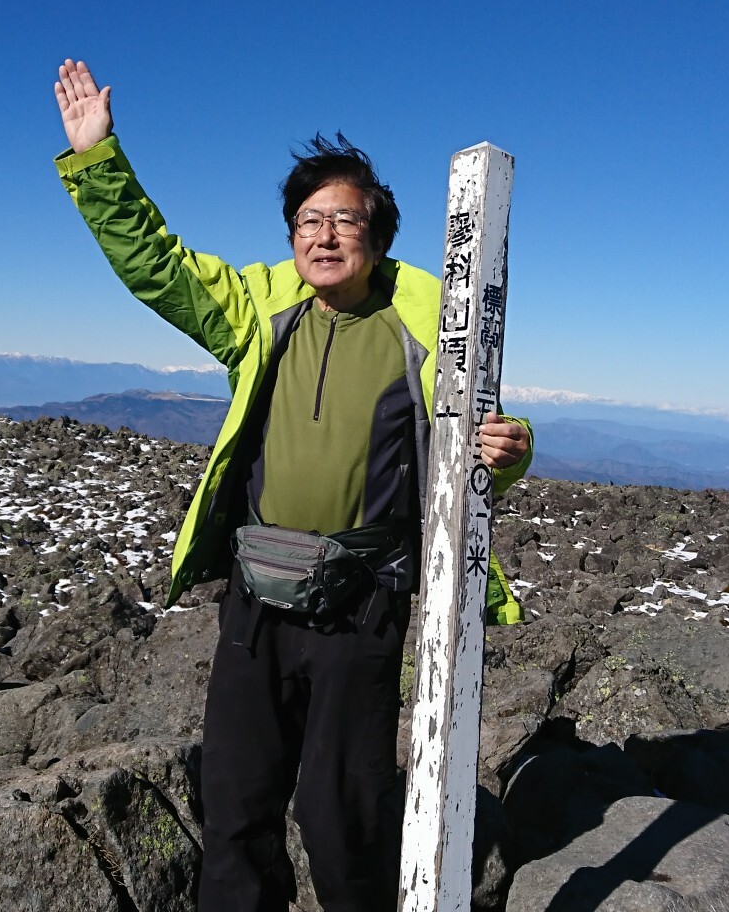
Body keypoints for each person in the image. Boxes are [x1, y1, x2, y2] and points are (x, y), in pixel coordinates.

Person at [51, 59, 532, 912]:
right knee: (236, 807)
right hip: (257, 601)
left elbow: (485, 426)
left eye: (344, 219)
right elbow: (157, 265)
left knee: (342, 815)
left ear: (378, 235)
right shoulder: (259, 308)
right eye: (308, 220)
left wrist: (512, 447)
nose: (323, 235)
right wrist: (97, 162)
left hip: (361, 606)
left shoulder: (425, 319)